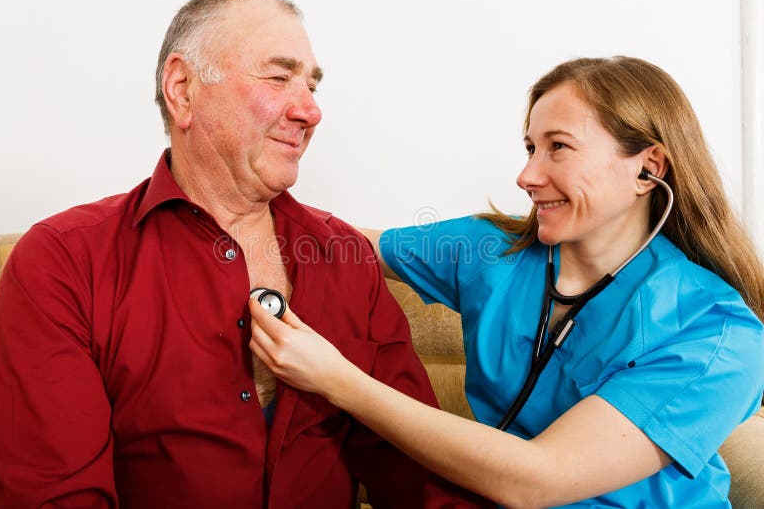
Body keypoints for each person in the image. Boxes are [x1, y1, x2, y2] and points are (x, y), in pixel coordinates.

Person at [0, 0, 487, 508]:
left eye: (312, 85)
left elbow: (420, 473)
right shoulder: (63, 261)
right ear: (183, 89)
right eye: (279, 77)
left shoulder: (345, 256)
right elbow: (49, 496)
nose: (311, 111)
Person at [250, 56, 764, 507]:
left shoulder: (718, 332)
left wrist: (337, 380)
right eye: (529, 148)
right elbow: (344, 244)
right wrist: (239, 200)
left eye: (558, 147)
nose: (526, 176)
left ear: (647, 169)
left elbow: (539, 479)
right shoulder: (490, 251)